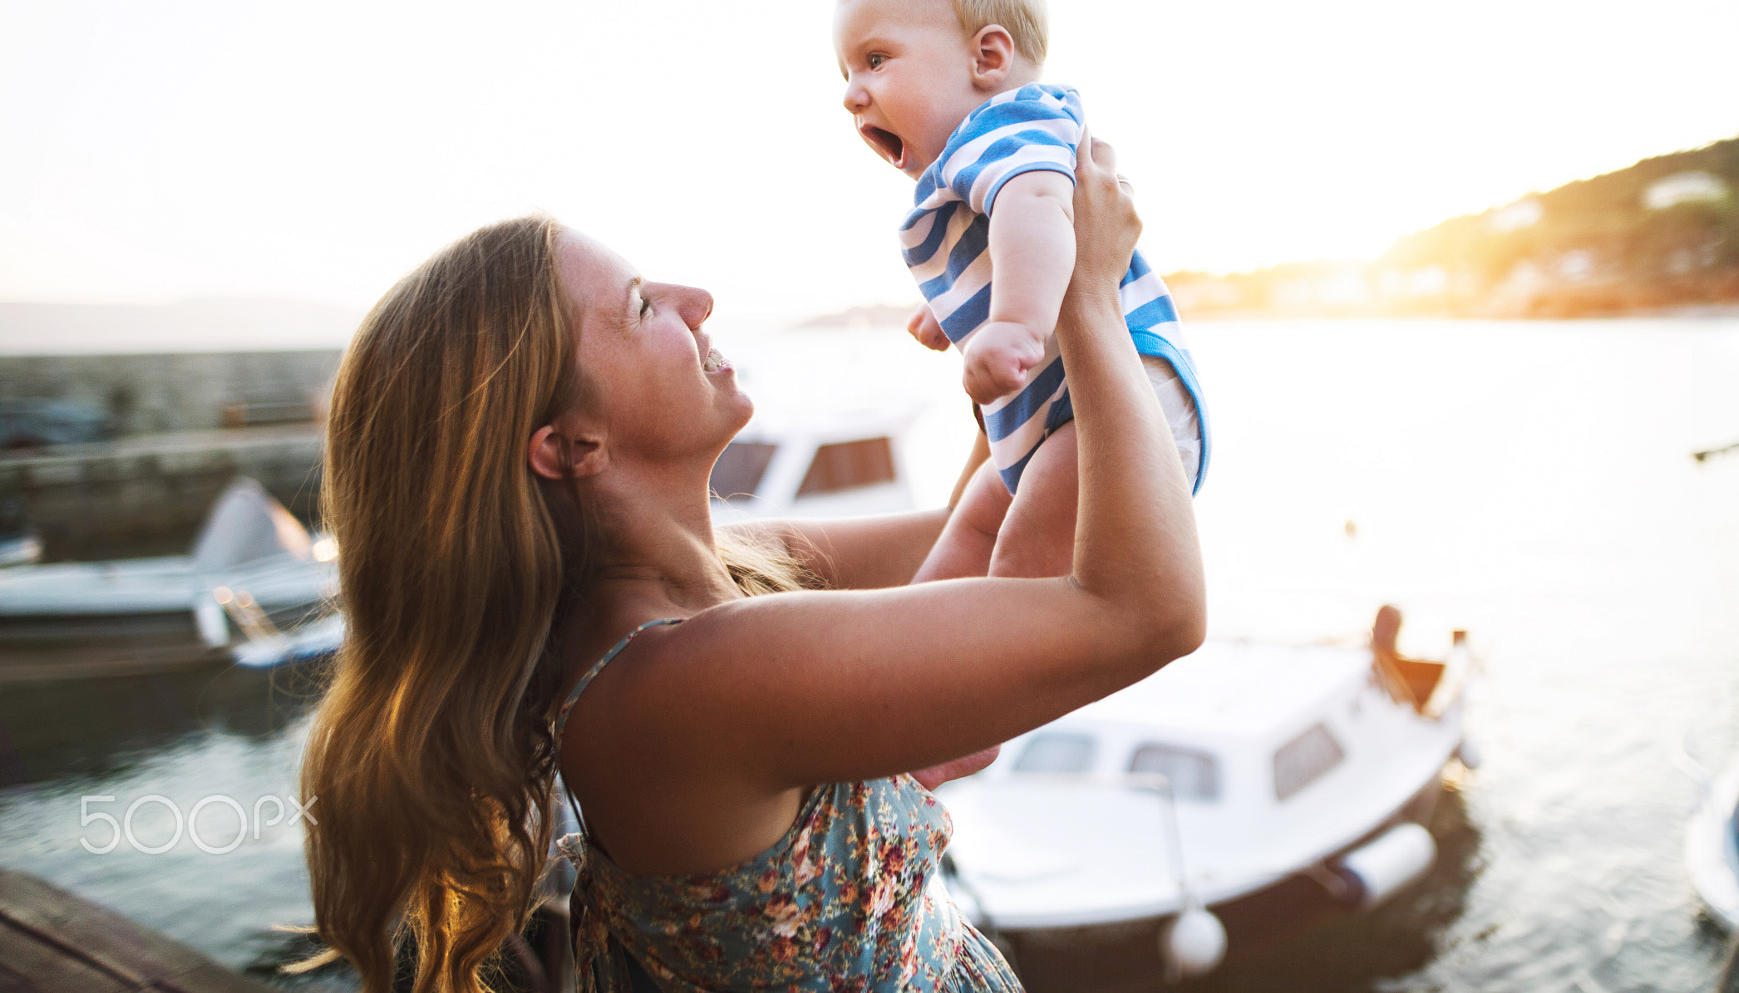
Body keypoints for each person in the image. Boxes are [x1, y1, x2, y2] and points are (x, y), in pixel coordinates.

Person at [296, 135, 1204, 992]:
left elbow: (982, 523)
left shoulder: (722, 582)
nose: (697, 299)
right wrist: (1087, 298)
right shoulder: (683, 681)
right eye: (643, 305)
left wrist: (1010, 310)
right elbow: (1144, 611)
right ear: (572, 445)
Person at [835, 0, 1209, 591]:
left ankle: (948, 654)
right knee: (971, 530)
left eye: (876, 59)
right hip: (1062, 411)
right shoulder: (982, 154)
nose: (851, 93)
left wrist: (1013, 323)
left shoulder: (1006, 126)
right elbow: (1003, 240)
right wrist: (949, 305)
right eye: (847, 72)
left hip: (1112, 404)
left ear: (987, 57)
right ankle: (917, 630)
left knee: (1014, 574)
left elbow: (1036, 209)